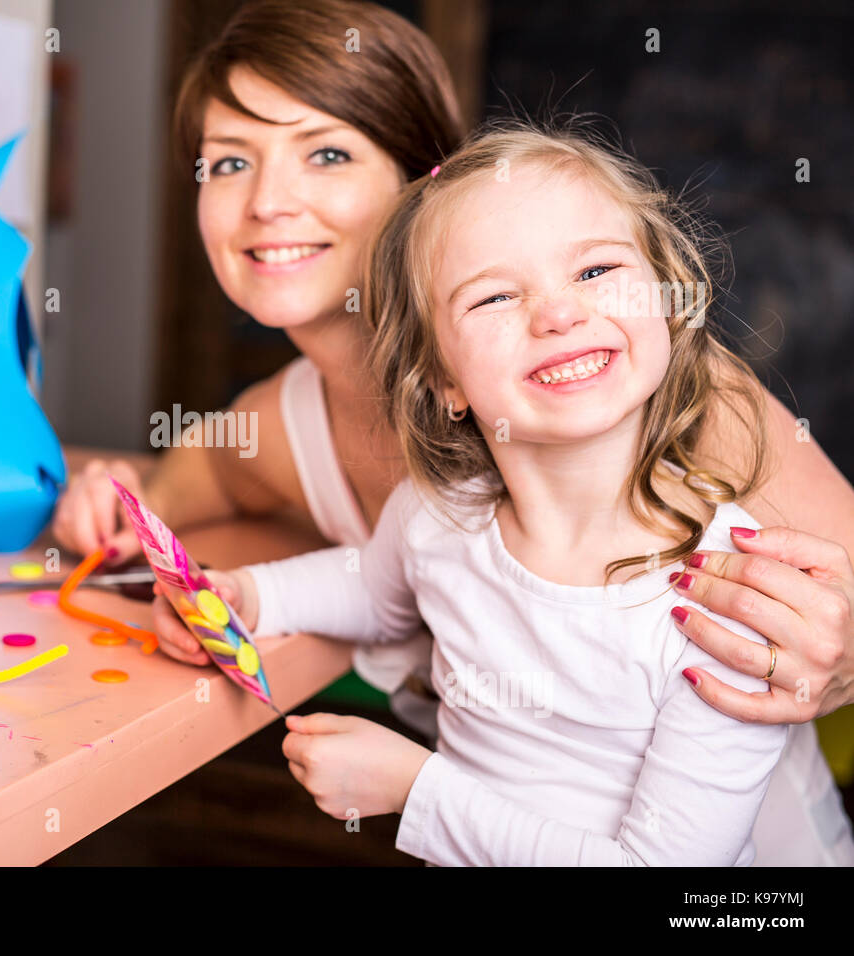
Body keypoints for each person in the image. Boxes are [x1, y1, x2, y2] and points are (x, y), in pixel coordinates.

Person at [52, 0, 854, 737]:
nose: (266, 202)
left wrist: (835, 660)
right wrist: (115, 504)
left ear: (422, 185)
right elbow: (188, 483)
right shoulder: (277, 424)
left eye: (326, 152)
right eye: (227, 163)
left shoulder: (627, 380)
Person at [154, 120, 854, 865]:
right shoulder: (436, 515)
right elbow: (372, 590)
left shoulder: (723, 603)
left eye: (594, 272)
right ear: (443, 381)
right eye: (493, 298)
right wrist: (250, 599)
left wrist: (415, 791)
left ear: (668, 302)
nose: (558, 313)